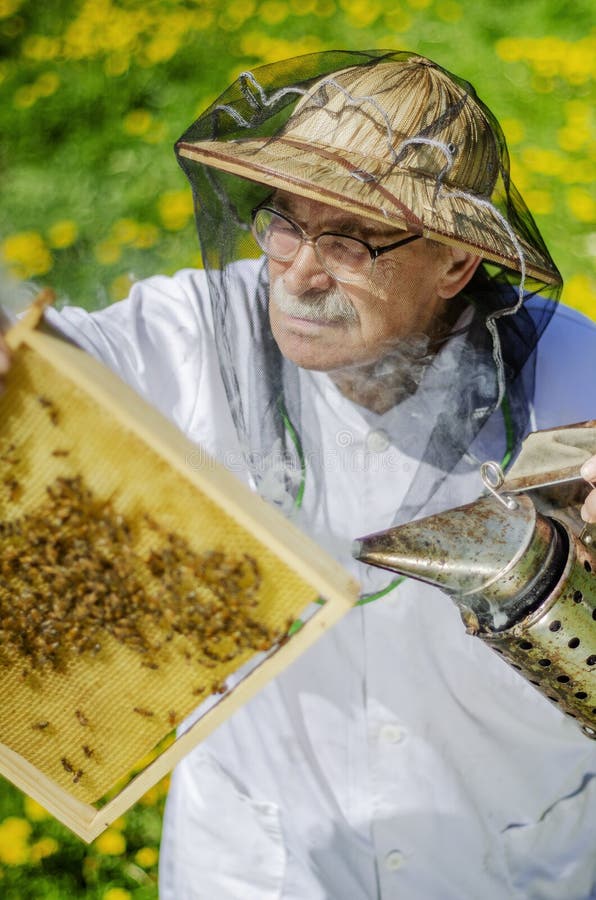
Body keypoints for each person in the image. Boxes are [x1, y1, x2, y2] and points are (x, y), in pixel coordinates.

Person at [1, 50, 596, 898]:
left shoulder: (580, 375)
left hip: (506, 865)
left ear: (457, 263)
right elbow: (60, 367)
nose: (301, 274)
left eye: (350, 241)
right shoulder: (195, 333)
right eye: (285, 224)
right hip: (259, 863)